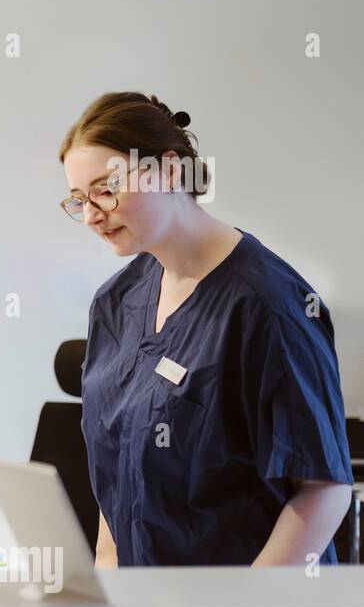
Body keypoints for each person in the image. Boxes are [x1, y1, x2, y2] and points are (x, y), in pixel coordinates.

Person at [59, 91, 352, 567]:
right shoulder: (116, 302)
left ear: (170, 170)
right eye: (79, 199)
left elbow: (323, 490)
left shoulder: (270, 305)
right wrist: (108, 588)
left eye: (106, 188)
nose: (92, 214)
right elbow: (117, 473)